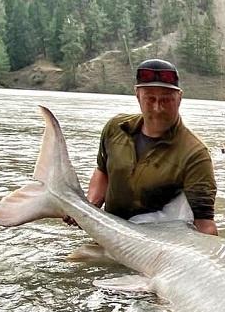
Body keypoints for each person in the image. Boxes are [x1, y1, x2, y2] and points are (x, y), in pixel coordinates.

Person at [84, 59, 218, 235]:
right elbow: (103, 170)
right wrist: (88, 207)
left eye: (166, 100)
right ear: (137, 95)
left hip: (156, 243)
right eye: (150, 99)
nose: (157, 108)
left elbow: (204, 222)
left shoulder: (195, 154)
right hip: (109, 233)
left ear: (179, 98)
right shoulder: (115, 128)